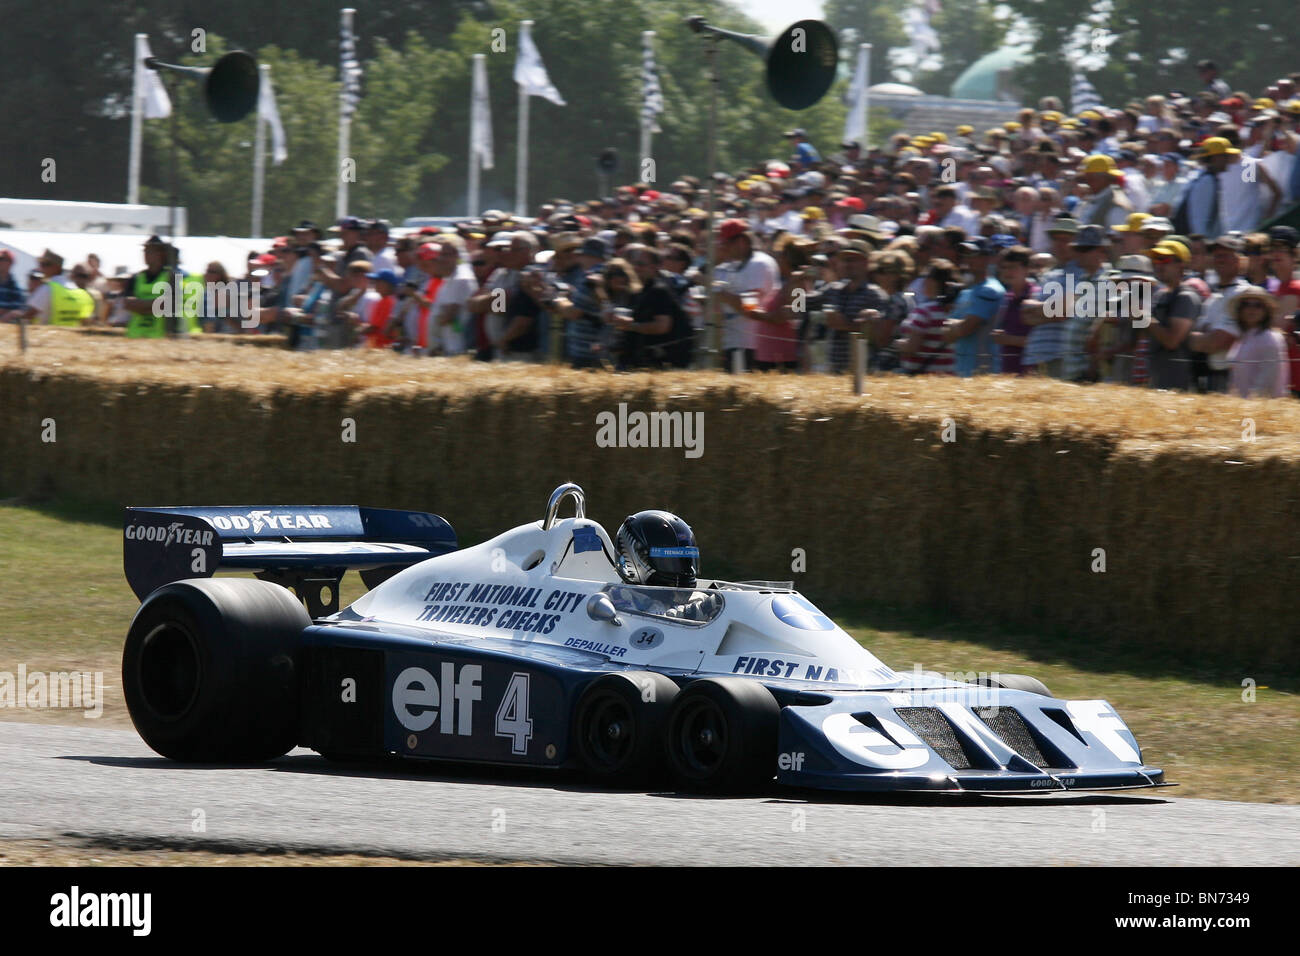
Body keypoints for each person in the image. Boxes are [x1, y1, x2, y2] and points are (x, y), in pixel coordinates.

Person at [712, 218, 779, 372]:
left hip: (751, 344)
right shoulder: (733, 265)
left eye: (726, 244)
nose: (724, 248)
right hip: (735, 341)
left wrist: (717, 291)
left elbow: (750, 307)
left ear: (741, 241)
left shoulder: (759, 264)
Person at [945, 237, 1006, 377]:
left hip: (984, 373)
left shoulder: (990, 290)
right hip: (963, 370)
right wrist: (955, 327)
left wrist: (954, 326)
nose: (968, 259)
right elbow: (946, 335)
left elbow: (965, 328)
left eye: (974, 254)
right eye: (966, 254)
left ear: (987, 258)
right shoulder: (966, 292)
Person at [1226, 286, 1289, 397]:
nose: (1252, 309)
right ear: (1240, 309)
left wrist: (1250, 406)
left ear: (1266, 310)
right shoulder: (1243, 338)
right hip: (1239, 408)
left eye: (1258, 305)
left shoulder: (1271, 338)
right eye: (1246, 305)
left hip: (1262, 410)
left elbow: (1268, 380)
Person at [614, 511, 699, 589]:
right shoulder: (615, 602)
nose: (684, 573)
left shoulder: (699, 600)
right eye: (669, 562)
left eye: (686, 563)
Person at [0, 250, 26, 317]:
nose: (0, 261)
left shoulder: (15, 288)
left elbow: (18, 310)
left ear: (11, 263)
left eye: (2, 259)